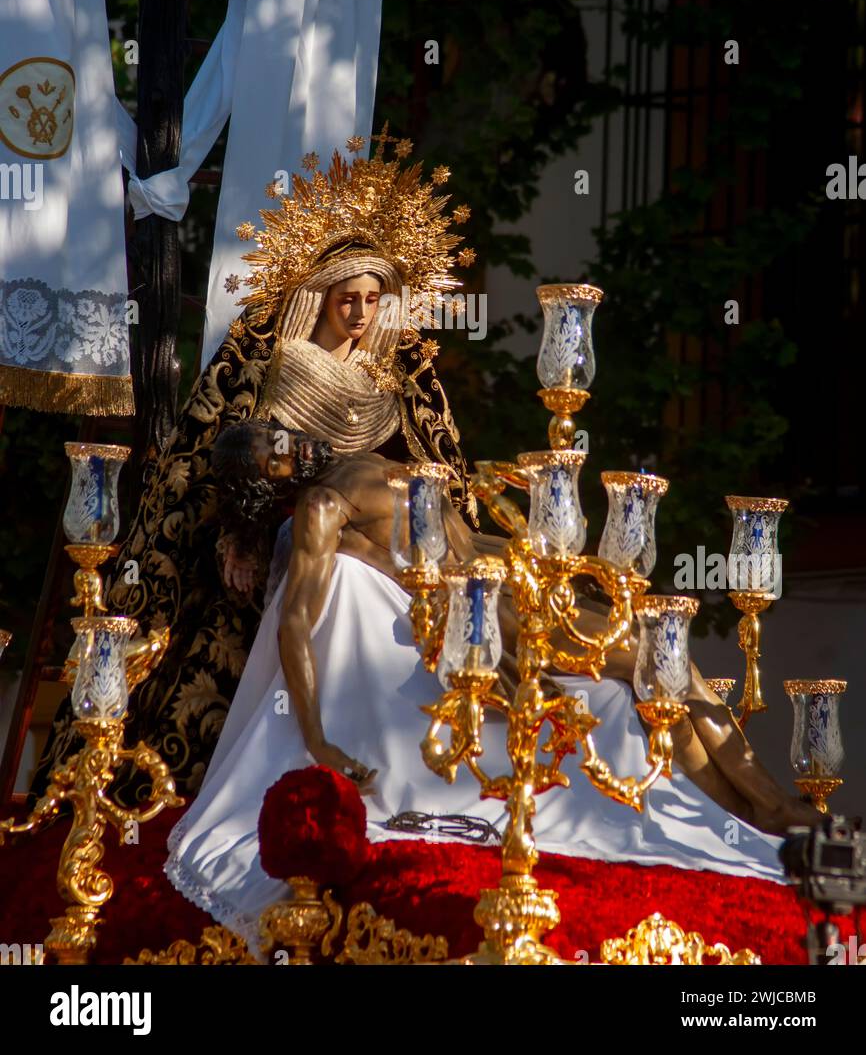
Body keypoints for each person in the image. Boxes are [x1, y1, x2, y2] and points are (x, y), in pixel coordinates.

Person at [164, 419, 820, 953]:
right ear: (271, 481)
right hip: (495, 614)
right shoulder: (321, 508)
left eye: (275, 431)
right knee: (654, 658)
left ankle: (754, 805)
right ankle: (756, 808)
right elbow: (299, 625)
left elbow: (454, 527)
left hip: (513, 577)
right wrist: (318, 740)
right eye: (271, 454)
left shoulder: (365, 455)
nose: (288, 443)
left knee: (659, 656)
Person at [31, 143, 478, 805]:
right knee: (342, 573)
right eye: (346, 297)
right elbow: (222, 452)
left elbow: (438, 474)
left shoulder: (397, 382)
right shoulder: (275, 360)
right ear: (321, 297)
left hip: (380, 536)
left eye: (371, 299)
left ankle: (398, 756)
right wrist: (238, 531)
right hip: (287, 534)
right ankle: (303, 753)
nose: (358, 312)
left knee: (390, 573)